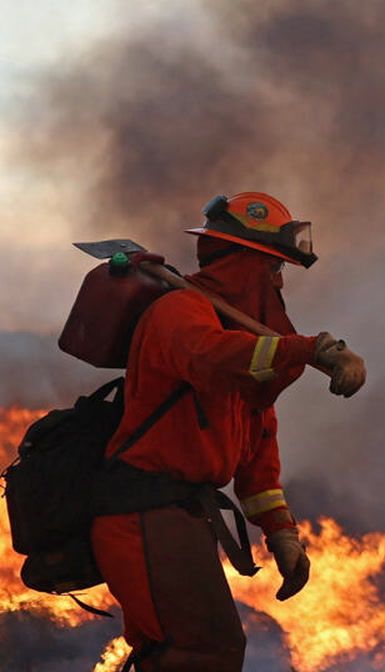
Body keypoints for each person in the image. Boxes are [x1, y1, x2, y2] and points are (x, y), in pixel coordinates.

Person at [90, 192, 367, 671]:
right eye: (273, 268)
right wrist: (312, 348)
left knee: (189, 653)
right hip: (142, 511)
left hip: (180, 516)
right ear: (243, 264)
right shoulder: (180, 314)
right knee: (202, 652)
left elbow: (257, 456)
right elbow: (212, 357)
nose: (279, 283)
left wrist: (282, 533)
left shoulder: (247, 353)